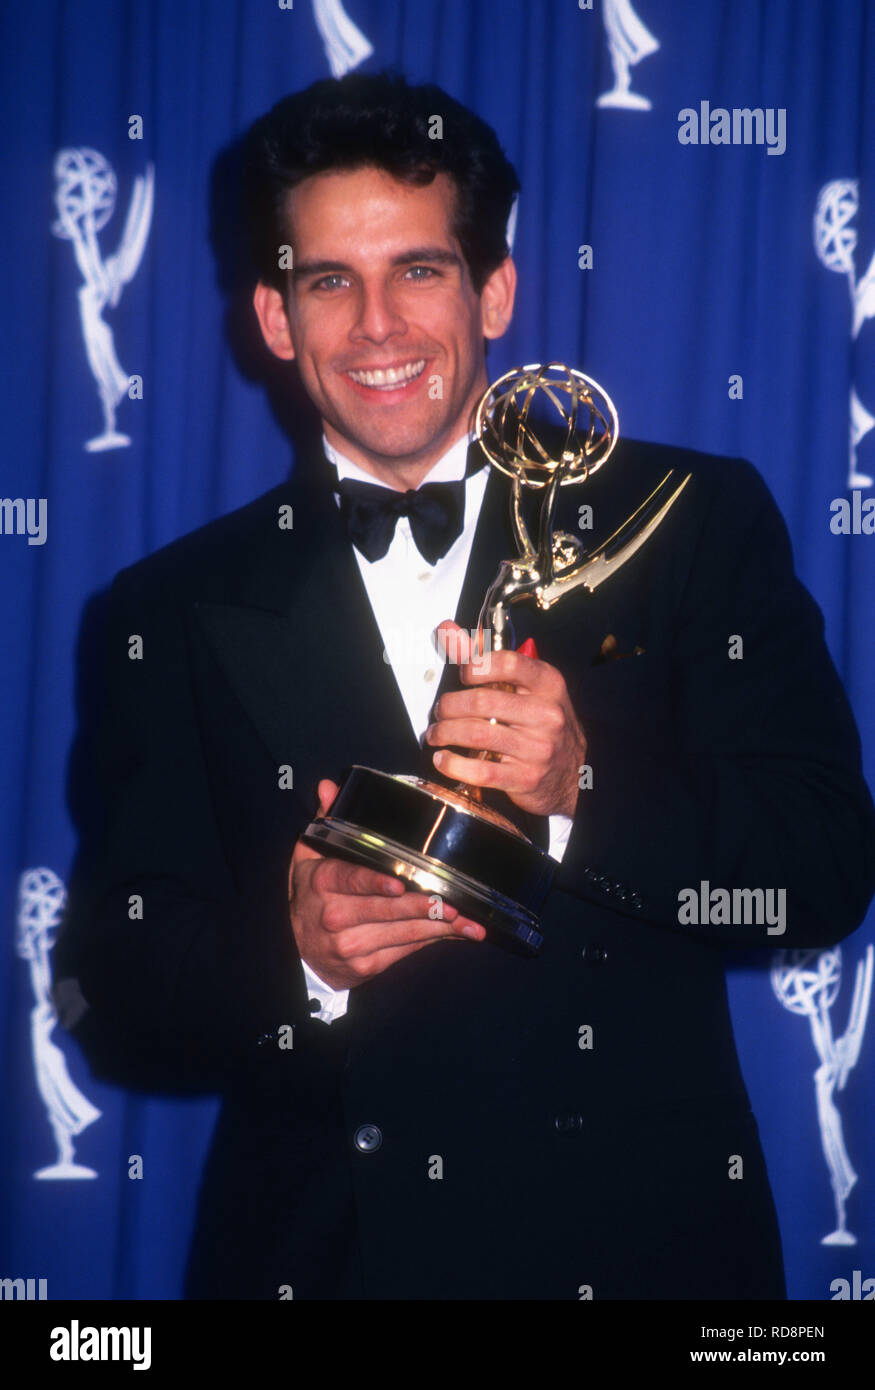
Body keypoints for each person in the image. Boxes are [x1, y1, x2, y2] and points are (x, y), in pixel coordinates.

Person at [55, 71, 875, 1301]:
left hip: (638, 1261)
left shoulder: (682, 520)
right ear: (276, 318)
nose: (376, 325)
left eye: (419, 270)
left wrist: (578, 788)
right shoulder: (165, 609)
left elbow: (817, 872)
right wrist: (293, 956)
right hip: (328, 1267)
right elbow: (118, 990)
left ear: (496, 287)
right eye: (329, 279)